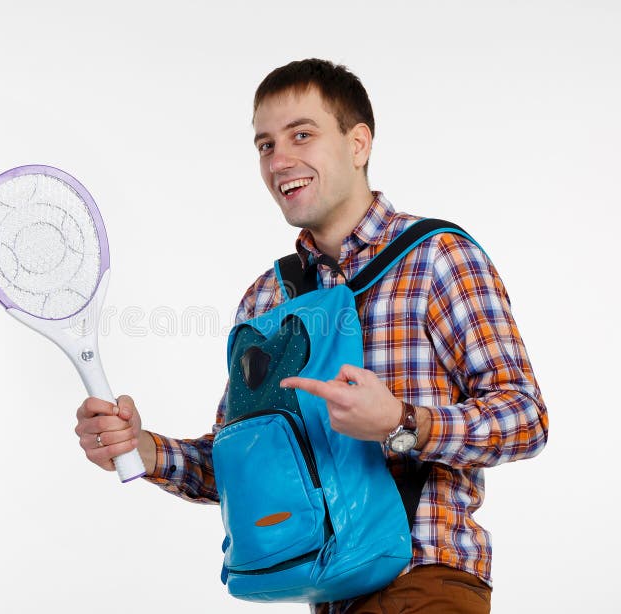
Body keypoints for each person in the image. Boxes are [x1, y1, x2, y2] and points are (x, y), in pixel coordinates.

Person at [74, 58, 548, 613]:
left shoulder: (438, 258)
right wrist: (145, 449)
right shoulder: (266, 300)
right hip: (326, 592)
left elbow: (527, 418)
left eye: (302, 135)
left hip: (424, 581)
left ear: (358, 144)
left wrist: (400, 424)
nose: (280, 160)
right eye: (266, 145)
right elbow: (243, 463)